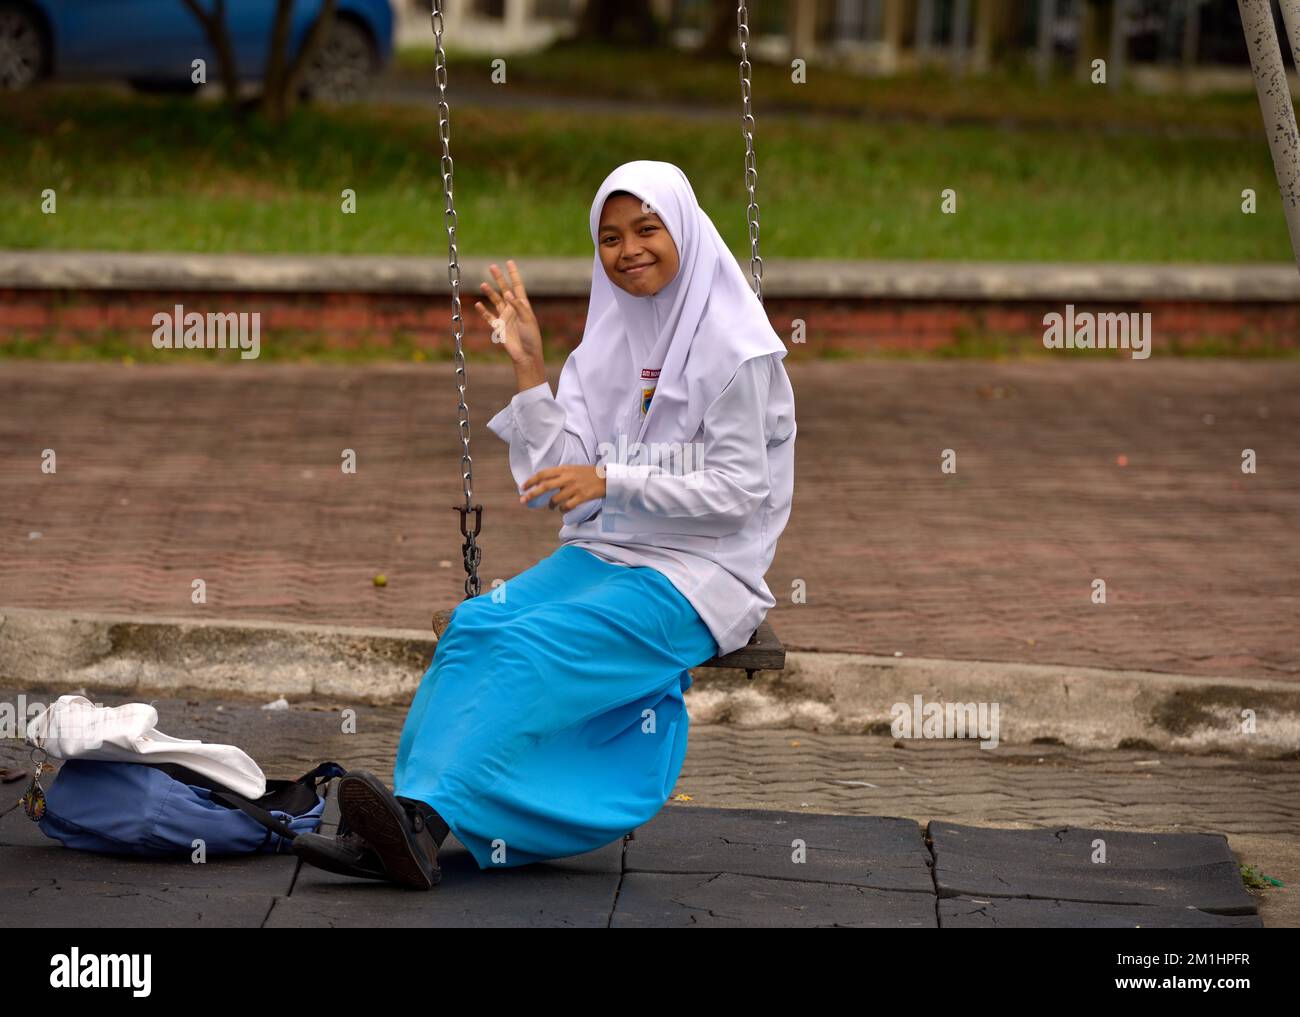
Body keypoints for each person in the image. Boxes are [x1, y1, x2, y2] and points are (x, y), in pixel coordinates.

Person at [292, 160, 796, 889]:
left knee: (530, 646)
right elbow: (556, 483)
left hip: (700, 577)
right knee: (473, 626)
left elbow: (741, 493)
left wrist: (614, 478)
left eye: (647, 229)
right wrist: (532, 370)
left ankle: (421, 827)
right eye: (611, 237)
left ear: (683, 228)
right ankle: (402, 818)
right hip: (607, 550)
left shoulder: (736, 349)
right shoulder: (605, 347)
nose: (629, 250)